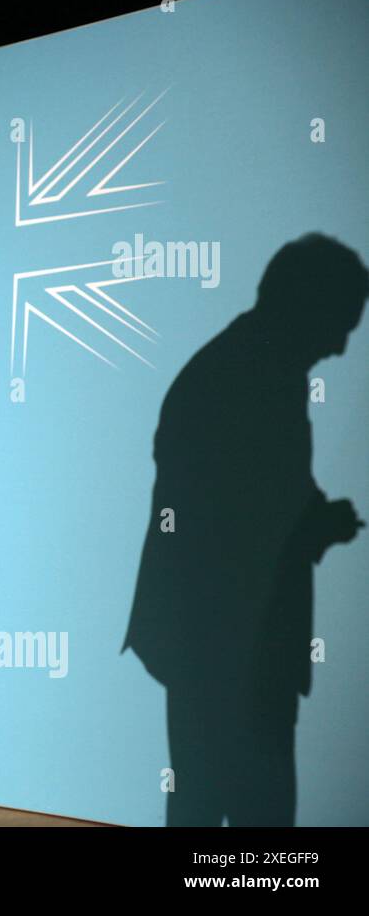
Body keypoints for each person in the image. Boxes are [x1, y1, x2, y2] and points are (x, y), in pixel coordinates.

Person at [122, 233, 366, 826]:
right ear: (306, 305)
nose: (338, 347)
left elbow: (249, 505)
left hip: (218, 649)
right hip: (236, 651)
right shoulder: (251, 378)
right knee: (248, 818)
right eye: (339, 324)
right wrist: (316, 525)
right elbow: (246, 524)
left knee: (208, 808)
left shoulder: (241, 369)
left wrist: (311, 520)